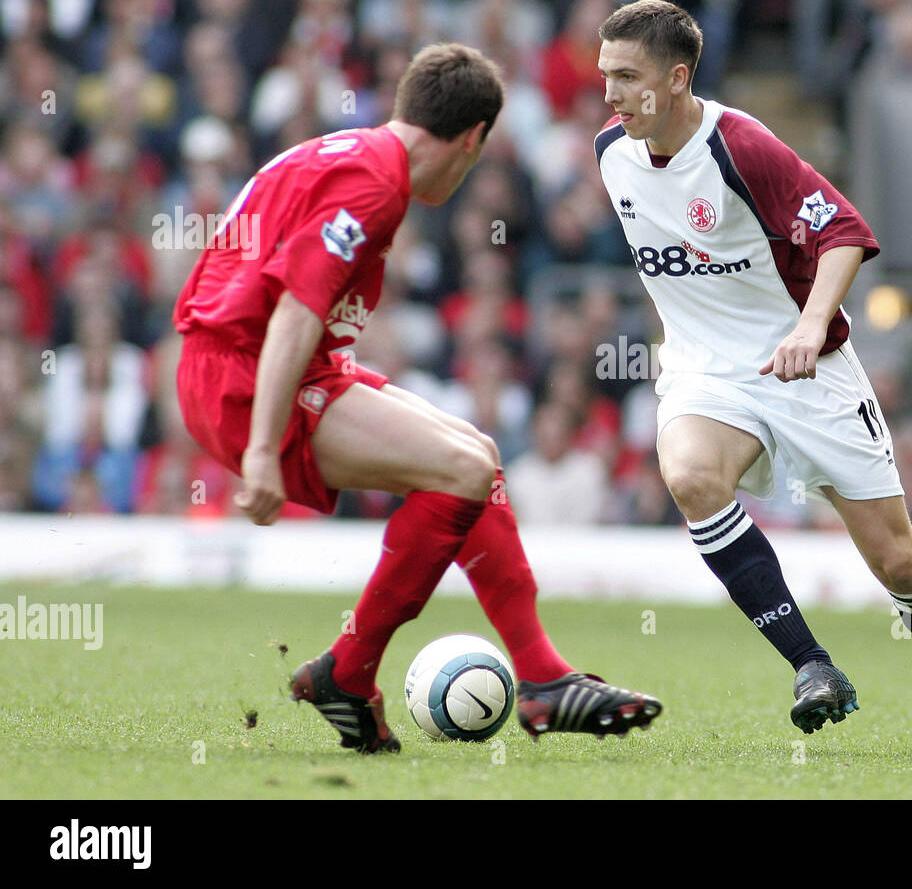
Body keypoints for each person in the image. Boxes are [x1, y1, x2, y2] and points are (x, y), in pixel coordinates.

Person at [172, 43, 661, 754]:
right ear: (471, 140)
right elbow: (293, 313)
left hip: (276, 364)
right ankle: (353, 669)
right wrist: (258, 452)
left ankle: (540, 676)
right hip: (244, 376)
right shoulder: (374, 183)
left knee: (479, 460)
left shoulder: (355, 152)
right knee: (460, 473)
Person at [594, 0, 912, 755]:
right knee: (693, 477)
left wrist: (806, 324)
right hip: (707, 372)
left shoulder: (741, 145)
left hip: (809, 369)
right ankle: (813, 665)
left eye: (627, 77)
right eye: (606, 76)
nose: (611, 94)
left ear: (677, 76)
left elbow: (844, 232)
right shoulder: (611, 153)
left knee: (897, 559)